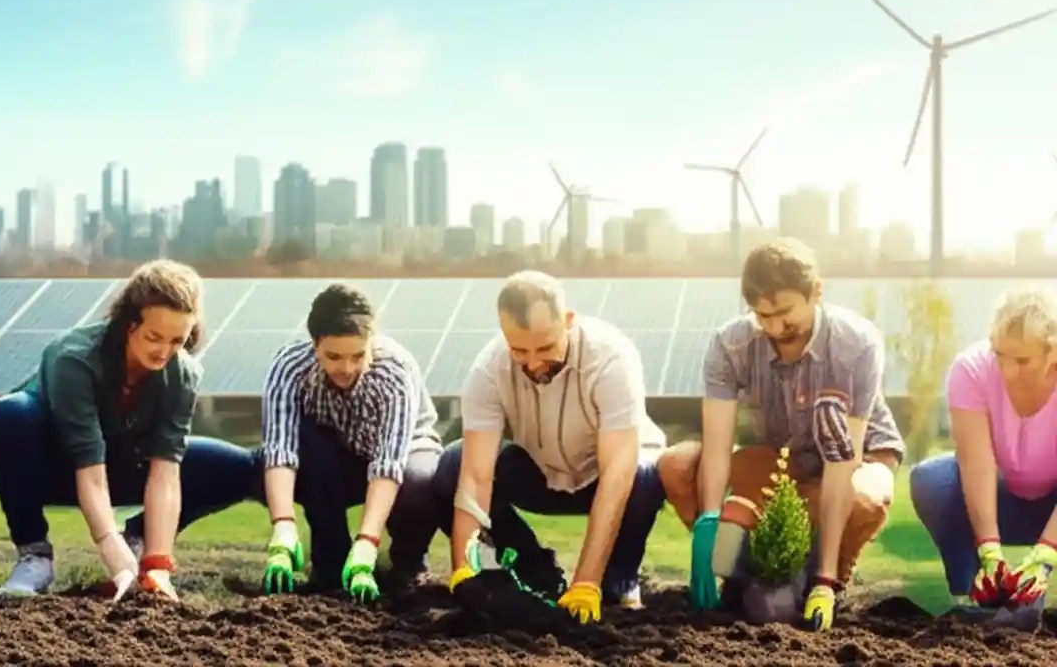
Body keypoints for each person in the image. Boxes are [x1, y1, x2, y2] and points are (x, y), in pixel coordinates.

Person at [657, 237, 905, 631]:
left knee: (863, 498)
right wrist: (707, 523)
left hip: (857, 459)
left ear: (816, 293)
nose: (774, 328)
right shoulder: (731, 344)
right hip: (780, 453)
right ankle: (740, 578)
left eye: (785, 313)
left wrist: (824, 578)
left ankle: (827, 583)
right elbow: (718, 447)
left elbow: (844, 459)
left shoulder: (855, 344)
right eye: (762, 315)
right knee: (679, 464)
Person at [0, 259, 258, 600]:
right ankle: (35, 556)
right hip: (52, 464)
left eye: (177, 341)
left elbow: (166, 470)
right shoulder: (74, 358)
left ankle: (138, 544)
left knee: (236, 466)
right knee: (12, 414)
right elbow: (89, 464)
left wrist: (157, 562)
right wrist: (108, 544)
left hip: (123, 465)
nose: (164, 351)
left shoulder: (182, 373)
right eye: (154, 337)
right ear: (128, 325)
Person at [432, 270, 670, 624]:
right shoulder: (488, 369)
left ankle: (616, 579)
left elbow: (618, 474)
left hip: (606, 478)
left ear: (568, 321)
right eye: (519, 350)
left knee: (644, 473)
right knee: (453, 463)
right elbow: (476, 475)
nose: (532, 363)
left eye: (544, 348)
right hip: (540, 473)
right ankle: (534, 570)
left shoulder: (611, 359)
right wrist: (464, 571)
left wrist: (586, 582)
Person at [258, 283, 445, 602]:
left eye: (358, 355)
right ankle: (330, 567)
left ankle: (407, 568)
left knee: (418, 479)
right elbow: (280, 449)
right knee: (309, 443)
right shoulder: (290, 367)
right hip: (337, 458)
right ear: (314, 345)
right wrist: (283, 526)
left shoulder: (394, 372)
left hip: (406, 452)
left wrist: (367, 542)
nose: (346, 368)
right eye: (333, 356)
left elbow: (389, 464)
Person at [910, 286, 1057, 614]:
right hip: (1003, 499)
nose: (1007, 371)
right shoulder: (971, 370)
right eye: (999, 354)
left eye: (1022, 360)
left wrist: (1046, 554)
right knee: (931, 481)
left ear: (1053, 353)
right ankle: (975, 597)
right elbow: (976, 463)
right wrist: (990, 551)